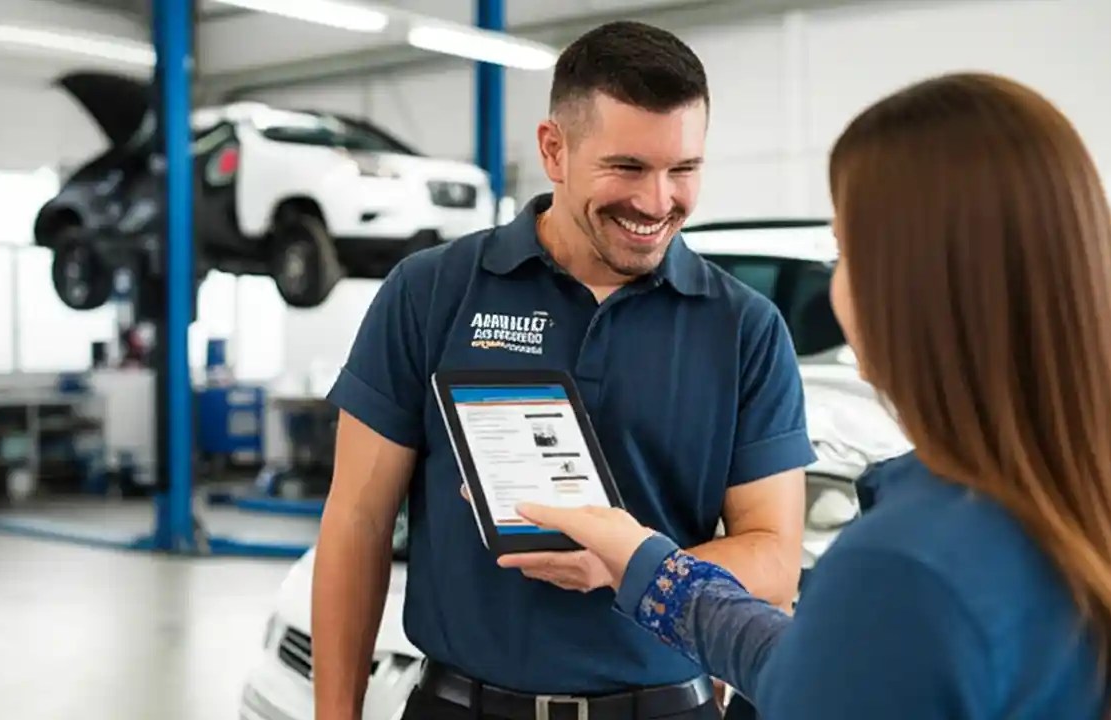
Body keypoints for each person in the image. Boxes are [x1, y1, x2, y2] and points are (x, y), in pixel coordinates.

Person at [515, 71, 1111, 719]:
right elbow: (841, 666)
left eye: (842, 253)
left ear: (902, 290)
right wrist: (646, 565)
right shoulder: (1074, 514)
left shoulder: (904, 570)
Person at [312, 20, 815, 720]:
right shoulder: (432, 292)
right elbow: (357, 520)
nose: (657, 201)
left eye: (684, 170)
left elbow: (773, 558)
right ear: (555, 150)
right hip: (462, 705)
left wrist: (632, 569)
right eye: (627, 168)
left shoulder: (743, 328)